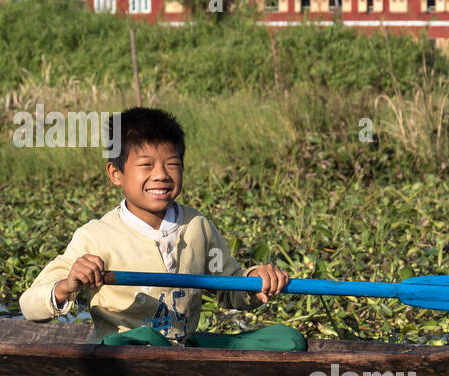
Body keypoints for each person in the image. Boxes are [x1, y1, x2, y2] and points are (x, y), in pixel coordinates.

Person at [19, 107, 300, 347]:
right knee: (142, 340)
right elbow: (29, 305)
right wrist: (67, 285)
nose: (161, 175)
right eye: (146, 165)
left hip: (182, 348)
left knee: (287, 340)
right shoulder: (95, 236)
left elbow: (231, 287)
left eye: (172, 164)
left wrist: (256, 281)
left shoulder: (197, 227)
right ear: (116, 173)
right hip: (122, 351)